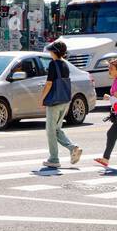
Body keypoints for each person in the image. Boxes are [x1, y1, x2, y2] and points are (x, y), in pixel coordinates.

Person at [39, 40, 82, 169]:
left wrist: (42, 98)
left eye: (51, 51)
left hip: (54, 102)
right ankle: (73, 148)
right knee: (56, 129)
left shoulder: (53, 64)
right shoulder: (65, 64)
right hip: (64, 100)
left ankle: (54, 159)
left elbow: (49, 84)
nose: (50, 53)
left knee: (50, 131)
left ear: (55, 52)